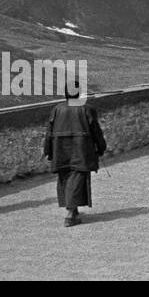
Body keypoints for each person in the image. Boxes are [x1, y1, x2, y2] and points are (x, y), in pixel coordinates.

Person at [43, 84, 106, 227]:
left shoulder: (57, 109)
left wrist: (48, 150)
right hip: (81, 150)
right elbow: (96, 131)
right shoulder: (86, 109)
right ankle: (71, 214)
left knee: (66, 179)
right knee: (76, 179)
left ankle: (73, 211)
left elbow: (49, 133)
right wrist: (101, 146)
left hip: (60, 151)